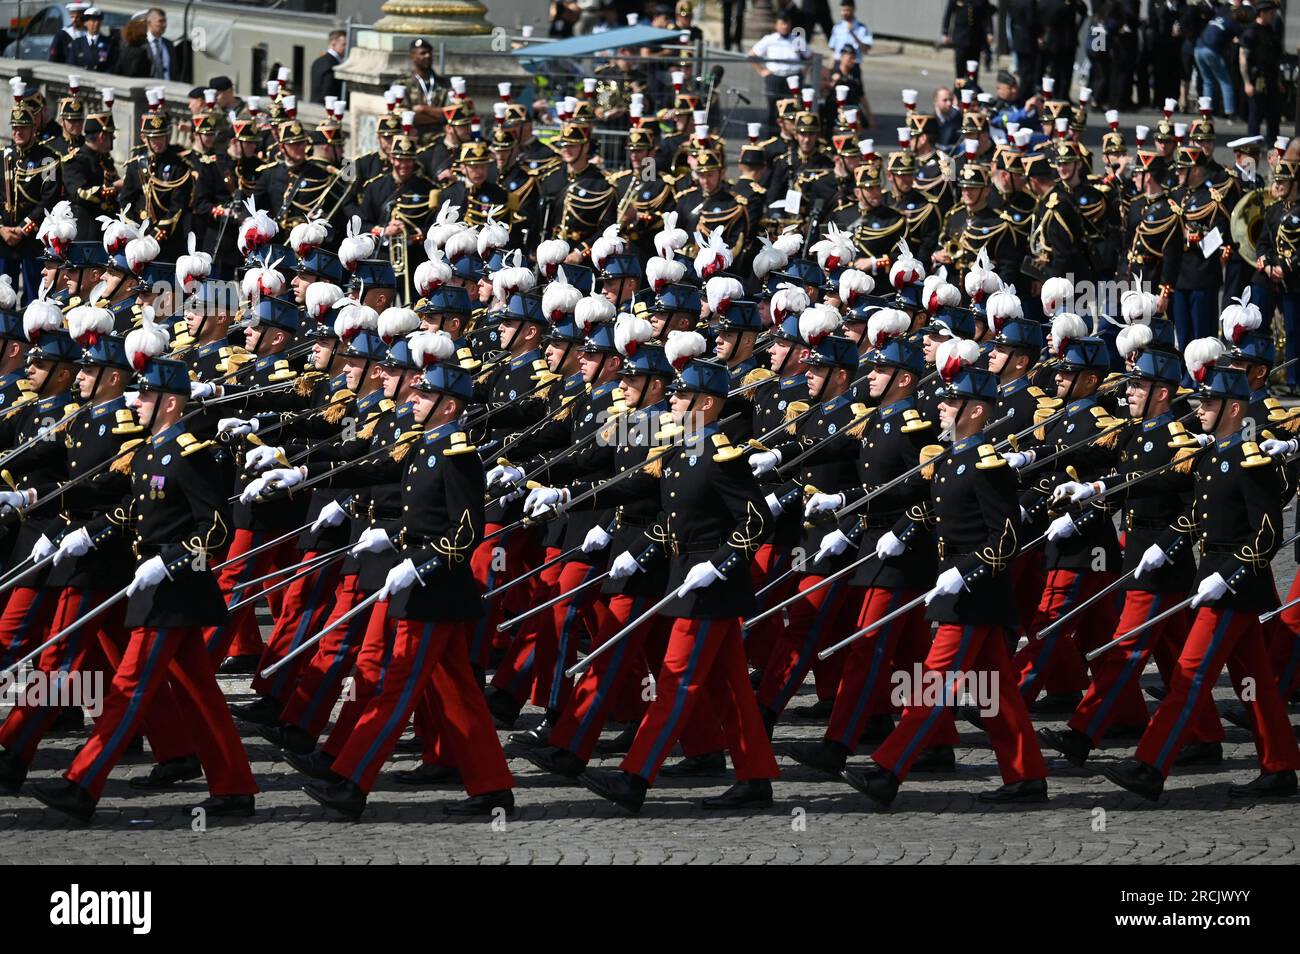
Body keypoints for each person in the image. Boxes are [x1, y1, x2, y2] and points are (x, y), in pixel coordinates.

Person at [751, 10, 810, 130]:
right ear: (776, 25)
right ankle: (772, 136)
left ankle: (792, 137)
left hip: (793, 78)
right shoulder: (769, 39)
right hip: (775, 78)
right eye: (782, 23)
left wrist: (804, 71)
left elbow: (809, 56)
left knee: (794, 109)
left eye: (787, 23)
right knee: (774, 110)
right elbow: (752, 54)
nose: (785, 26)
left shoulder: (797, 40)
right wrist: (762, 71)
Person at [1239, 0, 1282, 141]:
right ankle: (1253, 146)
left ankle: (1273, 147)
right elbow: (1243, 58)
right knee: (1255, 116)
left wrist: (1279, 81)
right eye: (1270, 12)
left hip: (1272, 79)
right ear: (1262, 13)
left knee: (1274, 116)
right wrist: (1247, 83)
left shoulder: (1270, 30)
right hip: (1258, 80)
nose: (1273, 15)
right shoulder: (1251, 32)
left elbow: (1274, 58)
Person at [1193, 1, 1239, 120]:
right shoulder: (1233, 22)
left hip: (1198, 48)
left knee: (1208, 81)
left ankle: (1206, 111)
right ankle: (1230, 111)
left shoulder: (1218, 16)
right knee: (1225, 81)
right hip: (1211, 50)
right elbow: (1238, 36)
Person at [941, 0, 995, 82]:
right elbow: (948, 14)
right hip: (960, 36)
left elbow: (987, 15)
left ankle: (972, 88)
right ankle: (959, 89)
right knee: (960, 65)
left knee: (973, 68)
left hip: (976, 37)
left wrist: (989, 32)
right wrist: (945, 32)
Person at [310, 30, 347, 105]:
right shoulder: (333, 66)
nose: (346, 48)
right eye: (343, 44)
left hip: (314, 106)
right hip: (327, 110)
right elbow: (329, 93)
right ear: (333, 44)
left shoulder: (317, 61)